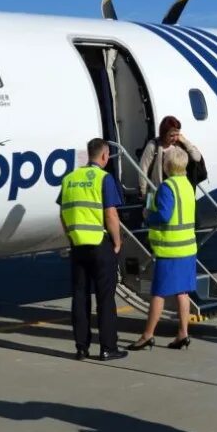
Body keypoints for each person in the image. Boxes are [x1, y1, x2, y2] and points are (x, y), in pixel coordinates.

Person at [58, 140, 128, 361]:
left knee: (79, 296)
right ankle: (108, 348)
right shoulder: (103, 179)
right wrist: (117, 242)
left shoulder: (69, 179)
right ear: (105, 157)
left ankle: (81, 348)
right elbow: (111, 215)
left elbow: (63, 213)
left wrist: (71, 236)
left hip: (78, 245)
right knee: (105, 299)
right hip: (100, 244)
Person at [130, 146, 197, 351]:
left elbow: (164, 215)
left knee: (158, 294)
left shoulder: (167, 187)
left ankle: (148, 335)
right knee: (182, 293)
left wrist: (148, 215)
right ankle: (183, 333)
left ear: (168, 166)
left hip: (170, 249)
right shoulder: (187, 185)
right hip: (187, 248)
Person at [138, 116, 204, 198]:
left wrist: (185, 142)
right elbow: (143, 169)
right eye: (172, 135)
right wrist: (143, 191)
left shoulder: (179, 145)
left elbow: (197, 157)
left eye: (177, 134)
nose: (175, 138)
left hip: (177, 192)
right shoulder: (153, 146)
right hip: (159, 192)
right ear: (163, 134)